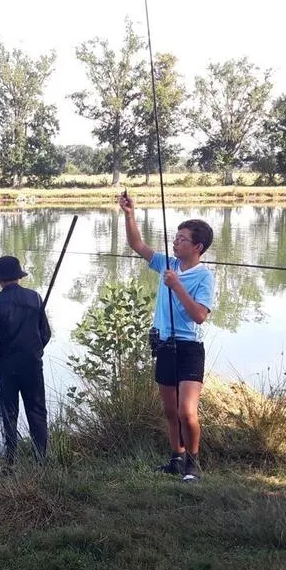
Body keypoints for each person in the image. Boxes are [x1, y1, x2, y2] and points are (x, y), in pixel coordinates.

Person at [120, 192, 216, 482]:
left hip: (189, 348)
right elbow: (137, 244)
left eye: (182, 239)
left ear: (198, 247)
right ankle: (176, 457)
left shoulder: (204, 276)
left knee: (187, 411)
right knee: (170, 409)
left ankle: (193, 464)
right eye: (175, 237)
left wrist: (176, 287)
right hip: (164, 345)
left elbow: (199, 315)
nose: (175, 242)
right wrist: (129, 213)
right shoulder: (165, 263)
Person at [0, 255, 52, 465]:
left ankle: (11, 461)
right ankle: (41, 459)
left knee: (8, 413)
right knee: (37, 410)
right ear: (19, 276)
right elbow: (45, 333)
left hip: (7, 367)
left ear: (0, 280)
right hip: (32, 365)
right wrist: (35, 351)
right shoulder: (36, 298)